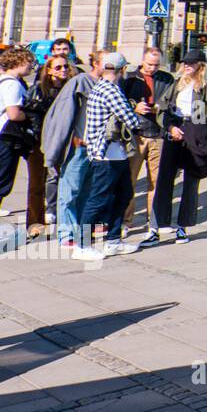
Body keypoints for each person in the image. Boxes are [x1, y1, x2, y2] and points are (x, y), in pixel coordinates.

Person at [141, 50, 207, 246]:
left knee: (191, 184)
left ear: (200, 66)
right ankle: (155, 227)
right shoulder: (177, 84)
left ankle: (182, 227)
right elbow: (162, 109)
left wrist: (191, 122)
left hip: (195, 138)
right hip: (174, 135)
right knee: (164, 181)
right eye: (185, 63)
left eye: (191, 63)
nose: (186, 66)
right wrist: (171, 127)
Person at [77, 52, 141, 261]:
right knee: (98, 199)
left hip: (116, 153)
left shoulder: (101, 86)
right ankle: (82, 245)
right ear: (121, 70)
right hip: (105, 153)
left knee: (123, 194)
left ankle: (113, 241)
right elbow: (131, 120)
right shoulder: (110, 90)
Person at [42, 51, 102, 247]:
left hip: (96, 147)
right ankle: (66, 233)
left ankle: (80, 232)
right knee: (69, 191)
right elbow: (64, 116)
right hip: (79, 146)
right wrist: (58, 146)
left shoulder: (108, 84)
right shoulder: (82, 81)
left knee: (86, 192)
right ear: (96, 63)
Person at [123, 47, 173, 235]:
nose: (152, 68)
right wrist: (135, 107)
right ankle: (126, 221)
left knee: (156, 181)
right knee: (130, 180)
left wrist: (159, 107)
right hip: (136, 133)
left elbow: (171, 102)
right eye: (149, 64)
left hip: (157, 134)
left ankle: (154, 220)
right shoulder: (130, 78)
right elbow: (121, 100)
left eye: (156, 65)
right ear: (142, 61)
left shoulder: (166, 79)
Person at [23, 54, 73, 238]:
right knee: (37, 183)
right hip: (39, 143)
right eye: (58, 67)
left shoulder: (70, 89)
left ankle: (64, 219)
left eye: (65, 66)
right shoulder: (39, 89)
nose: (63, 70)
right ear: (49, 70)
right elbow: (32, 116)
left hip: (63, 142)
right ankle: (35, 223)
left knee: (65, 181)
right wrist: (41, 139)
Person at [0, 48, 37, 220]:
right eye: (29, 61)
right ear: (19, 62)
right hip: (7, 135)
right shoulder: (13, 84)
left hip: (4, 133)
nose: (32, 65)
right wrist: (30, 115)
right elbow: (14, 113)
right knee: (3, 176)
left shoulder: (6, 81)